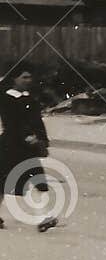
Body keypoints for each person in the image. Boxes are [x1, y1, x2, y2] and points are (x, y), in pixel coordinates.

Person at [0, 68, 58, 232]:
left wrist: (43, 140)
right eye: (24, 77)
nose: (28, 80)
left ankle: (43, 217)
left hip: (29, 146)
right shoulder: (6, 99)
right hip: (10, 145)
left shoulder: (30, 99)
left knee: (37, 179)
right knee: (2, 182)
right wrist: (26, 136)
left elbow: (38, 121)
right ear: (14, 79)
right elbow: (11, 123)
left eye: (30, 77)